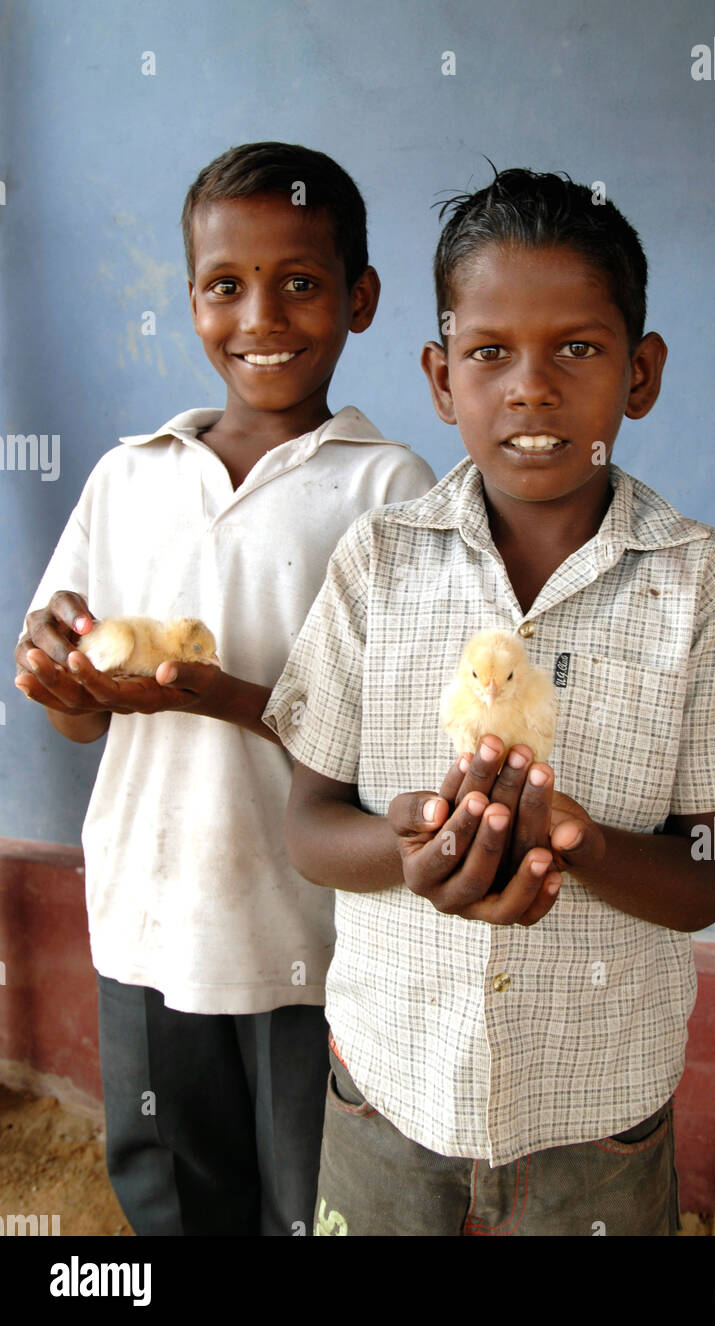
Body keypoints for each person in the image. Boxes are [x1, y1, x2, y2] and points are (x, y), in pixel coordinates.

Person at [264, 168, 715, 1237]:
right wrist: (410, 848)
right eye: (489, 354)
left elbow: (707, 882)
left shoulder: (705, 584)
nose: (531, 388)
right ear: (438, 376)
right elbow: (309, 826)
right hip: (387, 1081)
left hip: (596, 1117)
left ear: (641, 373)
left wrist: (586, 844)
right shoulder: (378, 562)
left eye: (578, 348)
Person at [13, 141, 436, 1236]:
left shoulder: (389, 491)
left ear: (361, 298)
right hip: (149, 915)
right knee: (170, 1191)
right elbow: (74, 718)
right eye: (224, 286)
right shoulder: (131, 474)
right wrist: (64, 672)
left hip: (313, 934)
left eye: (301, 282)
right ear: (191, 299)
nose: (263, 315)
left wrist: (226, 697)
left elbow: (398, 743)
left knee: (312, 1202)